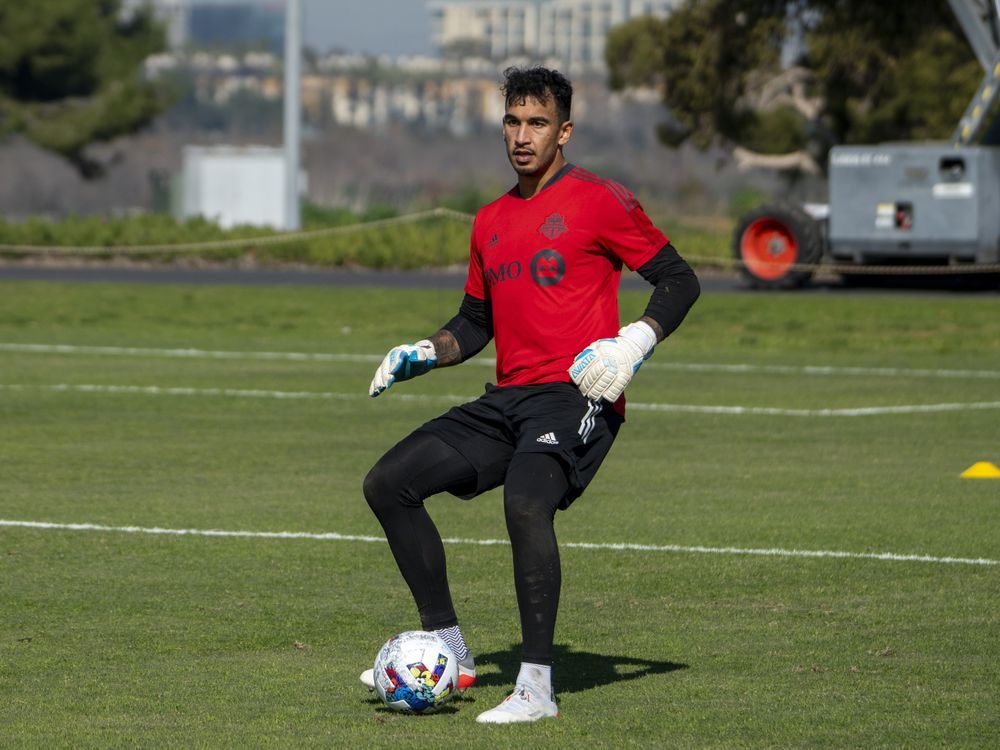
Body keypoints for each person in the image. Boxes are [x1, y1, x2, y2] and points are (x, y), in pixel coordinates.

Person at [359, 66, 700, 724]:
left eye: (537, 123)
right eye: (513, 122)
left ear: (564, 130)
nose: (522, 135)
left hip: (576, 396)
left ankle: (537, 688)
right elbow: (474, 324)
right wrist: (425, 352)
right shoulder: (488, 219)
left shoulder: (601, 199)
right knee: (388, 482)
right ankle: (453, 655)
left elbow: (678, 280)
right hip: (506, 399)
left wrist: (634, 342)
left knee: (524, 503)